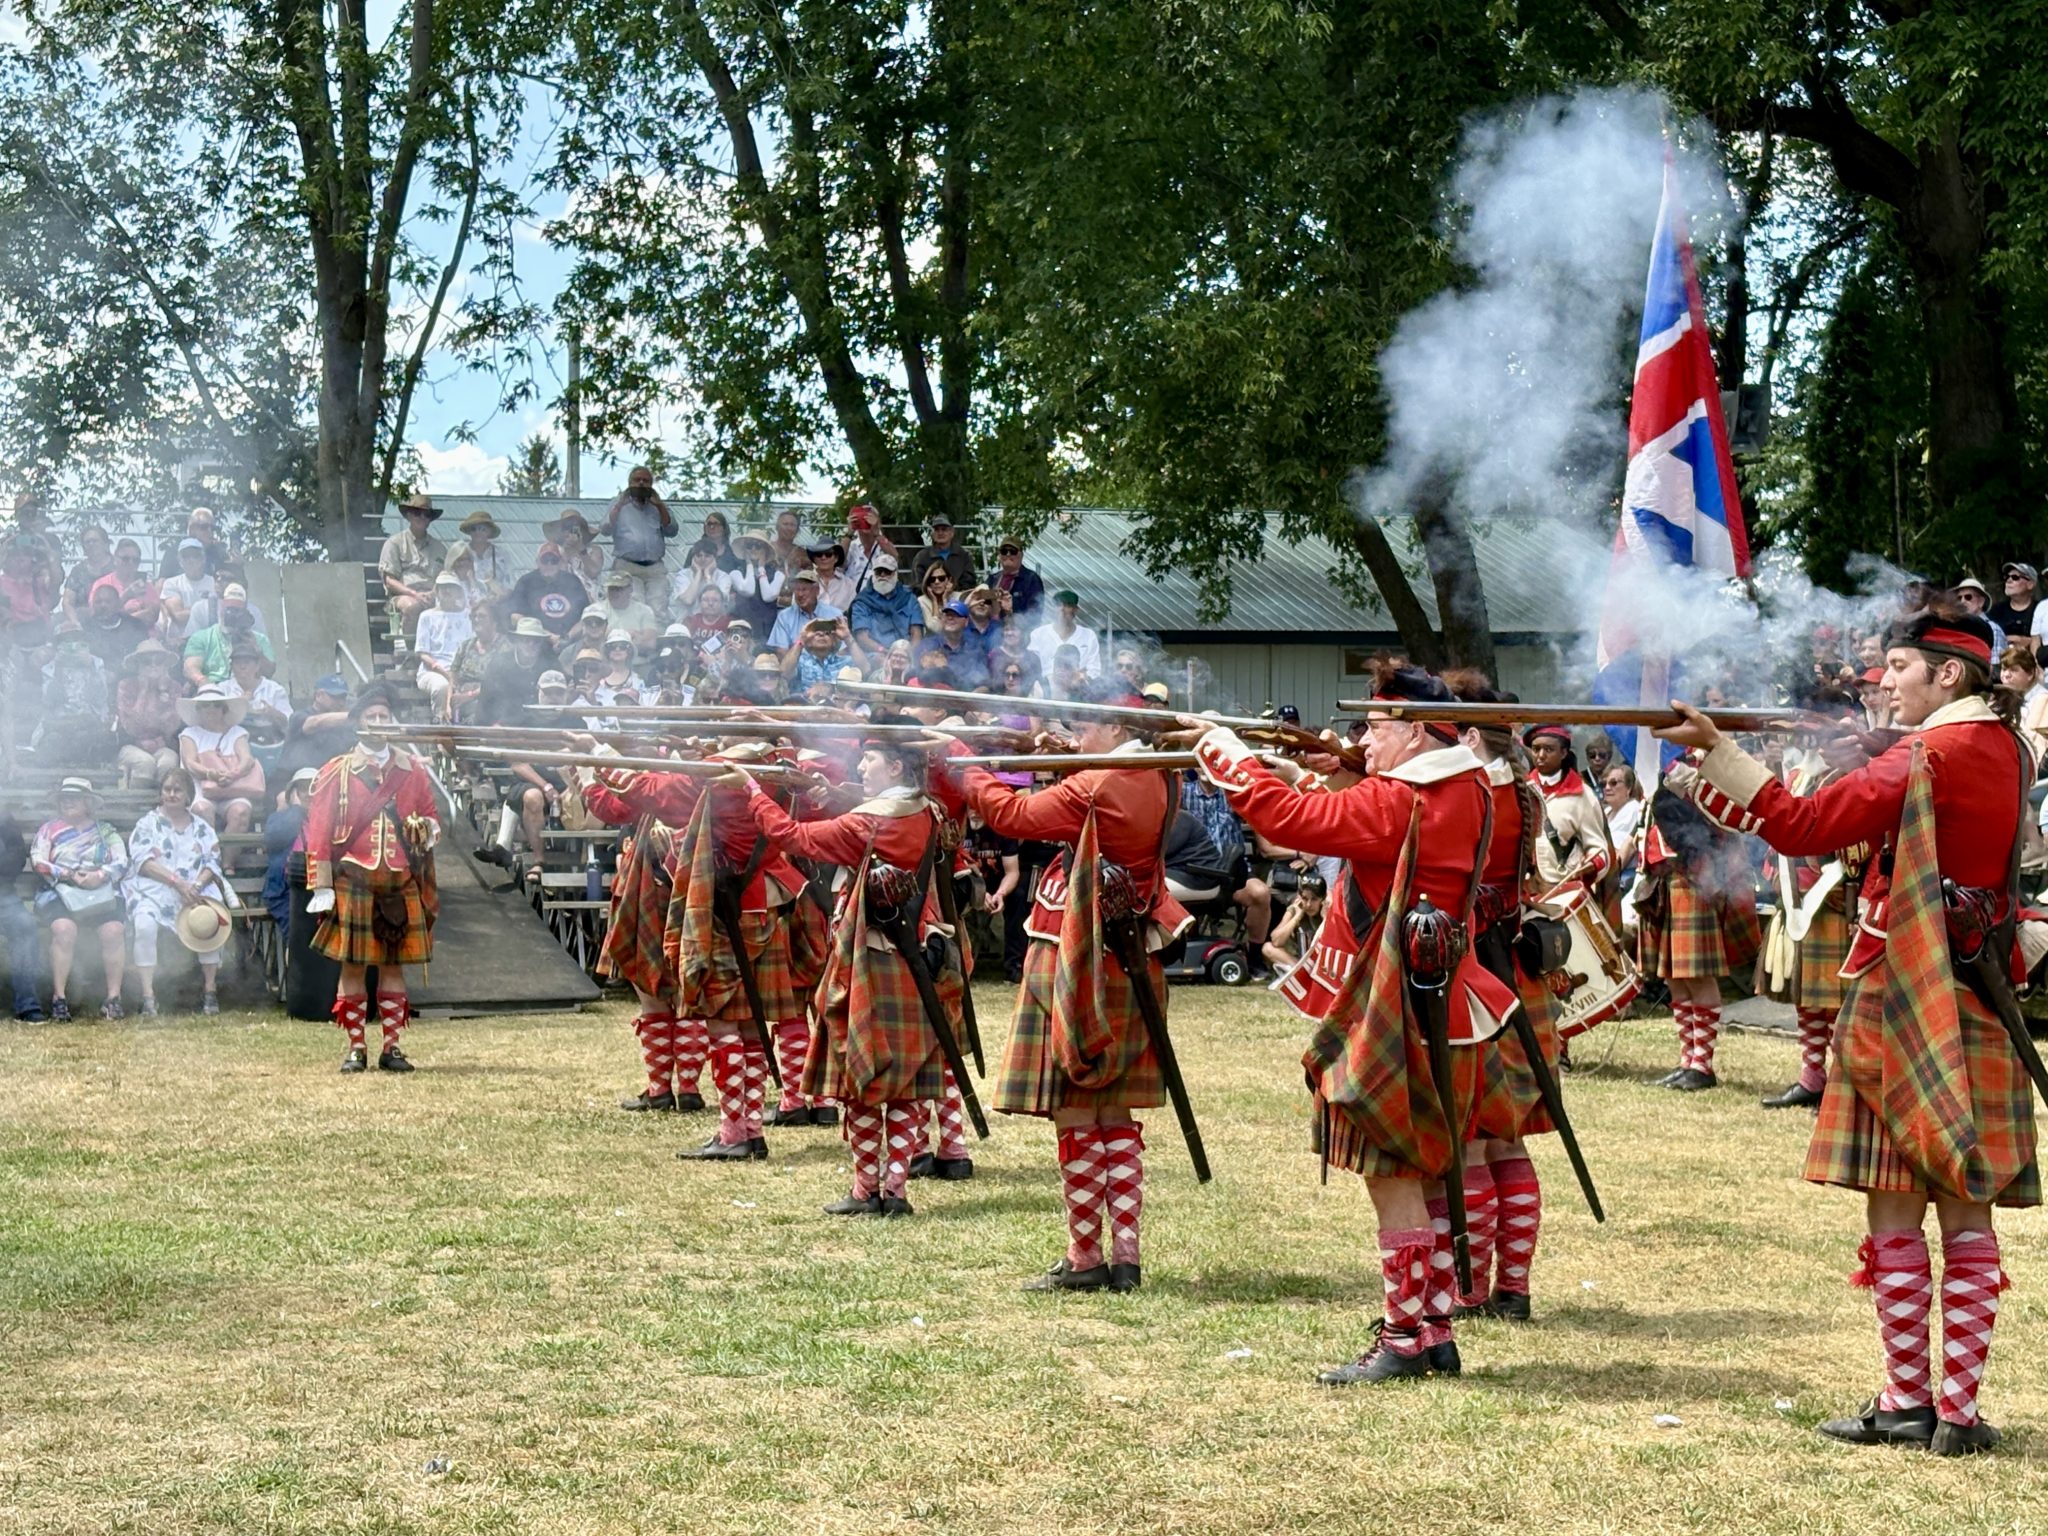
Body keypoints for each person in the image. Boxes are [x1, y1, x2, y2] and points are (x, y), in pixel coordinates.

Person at [1655, 606, 2031, 1457]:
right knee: (1966, 1212)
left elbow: (1803, 829)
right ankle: (1957, 1412)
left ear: (1949, 675)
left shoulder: (1931, 750)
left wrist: (1715, 750)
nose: (1882, 679)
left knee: (1897, 1203)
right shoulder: (2005, 747)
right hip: (1973, 986)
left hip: (1904, 985)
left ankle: (1906, 1399)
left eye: (1898, 665)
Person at [1190, 661, 1518, 1382]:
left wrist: (1227, 753)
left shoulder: (1412, 797)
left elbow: (1295, 823)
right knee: (1423, 1174)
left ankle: (1405, 1336)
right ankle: (1432, 1328)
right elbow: (1358, 815)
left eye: (1374, 729)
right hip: (1447, 999)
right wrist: (1326, 772)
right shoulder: (1464, 786)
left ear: (1412, 731)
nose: (1363, 742)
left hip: (1399, 1002)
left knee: (1390, 1171)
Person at [946, 682, 1191, 1291]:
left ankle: (1085, 1256)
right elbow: (1090, 793)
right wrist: (1057, 751)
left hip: (1074, 951)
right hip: (1129, 950)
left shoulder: (1100, 782)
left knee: (1076, 1109)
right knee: (1113, 1111)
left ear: (1113, 731)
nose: (1079, 734)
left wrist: (964, 765)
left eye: (1087, 727)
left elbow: (1012, 816)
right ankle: (1125, 1254)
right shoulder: (1159, 776)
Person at [731, 737, 964, 1215]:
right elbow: (862, 813)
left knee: (859, 1078)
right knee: (905, 1083)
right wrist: (828, 791)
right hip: (914, 954)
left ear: (895, 764)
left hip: (867, 958)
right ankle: (894, 1190)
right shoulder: (929, 811)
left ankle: (865, 1190)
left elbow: (795, 837)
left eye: (870, 759)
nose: (861, 765)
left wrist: (753, 791)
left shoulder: (869, 821)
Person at [664, 745, 812, 1164]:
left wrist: (602, 754)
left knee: (722, 1021)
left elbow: (662, 793)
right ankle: (750, 1130)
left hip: (728, 912)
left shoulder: (727, 775)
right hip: (762, 905)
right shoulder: (778, 769)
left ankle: (733, 1131)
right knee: (750, 1028)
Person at [304, 685, 439, 1073]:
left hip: (399, 880)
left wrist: (423, 829)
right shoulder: (337, 770)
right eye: (372, 718)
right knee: (352, 967)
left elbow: (432, 819)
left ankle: (392, 1047)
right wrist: (322, 885)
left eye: (384, 717)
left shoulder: (412, 770)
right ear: (359, 723)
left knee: (394, 967)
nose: (379, 724)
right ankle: (356, 1048)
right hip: (354, 879)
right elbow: (319, 830)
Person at [1635, 710, 1763, 1092]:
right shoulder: (1677, 767)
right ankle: (1687, 1059)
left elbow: (1730, 822)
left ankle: (1702, 1065)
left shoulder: (1725, 770)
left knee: (1697, 975)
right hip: (1666, 879)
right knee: (1675, 976)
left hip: (1698, 878)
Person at [123, 768, 231, 1016]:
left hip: (195, 889)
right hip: (156, 889)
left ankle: (210, 991)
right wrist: (177, 883)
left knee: (209, 919)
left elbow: (212, 862)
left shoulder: (202, 827)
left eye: (177, 789)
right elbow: (142, 862)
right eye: (167, 789)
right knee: (144, 924)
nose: (171, 794)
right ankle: (148, 996)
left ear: (188, 795)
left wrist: (195, 886)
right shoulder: (147, 824)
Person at [31, 776, 129, 1021]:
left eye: (74, 798)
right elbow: (38, 861)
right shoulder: (48, 830)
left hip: (100, 894)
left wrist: (100, 875)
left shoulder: (105, 831)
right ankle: (59, 998)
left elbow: (121, 860)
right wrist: (67, 874)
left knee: (114, 930)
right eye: (65, 798)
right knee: (64, 930)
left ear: (88, 803)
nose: (68, 802)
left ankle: (113, 998)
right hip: (60, 892)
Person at [1522, 726, 1614, 889]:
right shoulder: (1521, 789)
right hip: (1525, 888)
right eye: (1536, 749)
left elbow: (1597, 848)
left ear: (1564, 753)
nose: (1541, 755)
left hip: (1563, 887)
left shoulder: (1582, 794)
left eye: (1548, 749)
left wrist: (1590, 865)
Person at [178, 684, 264, 837]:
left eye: (216, 705)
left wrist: (233, 774)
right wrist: (212, 774)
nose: (211, 709)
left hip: (234, 786)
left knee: (241, 812)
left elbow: (246, 759)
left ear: (224, 709)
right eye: (205, 705)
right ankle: (211, 857)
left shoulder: (237, 732)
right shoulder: (189, 734)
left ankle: (227, 861)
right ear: (198, 709)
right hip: (200, 788)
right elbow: (190, 763)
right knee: (202, 810)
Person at [37, 623, 116, 765]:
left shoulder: (96, 663)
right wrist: (58, 669)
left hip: (90, 721)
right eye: (66, 641)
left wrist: (90, 667)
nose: (72, 645)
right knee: (53, 741)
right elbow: (50, 700)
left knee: (87, 737)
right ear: (58, 646)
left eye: (76, 640)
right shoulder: (49, 668)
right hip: (60, 723)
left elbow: (99, 698)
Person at [606, 466, 678, 613]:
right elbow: (605, 528)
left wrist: (659, 506)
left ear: (651, 485)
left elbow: (672, 530)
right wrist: (620, 505)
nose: (641, 484)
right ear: (629, 482)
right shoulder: (618, 503)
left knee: (658, 607)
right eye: (637, 480)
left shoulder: (658, 505)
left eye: (645, 481)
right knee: (634, 606)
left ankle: (656, 634)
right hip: (628, 565)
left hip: (654, 568)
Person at [378, 494, 447, 638]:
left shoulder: (440, 548)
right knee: (412, 606)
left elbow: (445, 577)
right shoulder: (394, 543)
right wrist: (414, 594)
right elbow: (389, 581)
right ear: (409, 515)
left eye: (426, 514)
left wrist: (432, 594)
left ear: (430, 519)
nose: (422, 517)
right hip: (403, 597)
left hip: (433, 596)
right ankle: (410, 653)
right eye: (417, 513)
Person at [0, 807, 46, 1020]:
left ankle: (28, 1004)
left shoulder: (4, 816)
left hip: (4, 896)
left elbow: (17, 856)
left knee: (24, 925)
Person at [182, 583, 272, 687]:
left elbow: (269, 672)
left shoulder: (259, 640)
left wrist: (255, 649)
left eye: (236, 611)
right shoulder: (201, 637)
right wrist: (203, 682)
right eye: (228, 609)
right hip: (211, 691)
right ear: (221, 610)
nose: (231, 615)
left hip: (248, 689)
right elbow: (190, 667)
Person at [262, 766, 317, 933]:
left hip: (319, 890)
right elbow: (274, 838)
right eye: (302, 789)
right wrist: (296, 810)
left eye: (314, 788)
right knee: (298, 934)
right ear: (293, 794)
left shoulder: (328, 822)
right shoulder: (278, 819)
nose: (308, 794)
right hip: (286, 892)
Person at [413, 572, 474, 720]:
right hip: (433, 672)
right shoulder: (426, 616)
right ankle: (442, 725)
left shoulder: (468, 616)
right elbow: (423, 654)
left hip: (463, 670)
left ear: (458, 591)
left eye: (451, 587)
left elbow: (472, 647)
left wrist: (460, 674)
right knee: (442, 686)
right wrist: (446, 674)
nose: (446, 591)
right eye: (442, 587)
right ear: (437, 591)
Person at [277, 675, 358, 786]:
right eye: (335, 697)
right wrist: (357, 714)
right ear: (319, 695)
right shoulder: (298, 716)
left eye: (343, 697)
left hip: (333, 779)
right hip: (294, 780)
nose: (340, 702)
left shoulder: (346, 724)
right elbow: (314, 723)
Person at [479, 618, 552, 727]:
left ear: (541, 642)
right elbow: (485, 700)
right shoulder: (499, 664)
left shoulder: (550, 664)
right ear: (517, 640)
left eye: (536, 640)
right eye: (526, 639)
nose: (531, 644)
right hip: (502, 726)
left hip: (540, 725)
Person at [507, 542, 589, 639]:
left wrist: (568, 637)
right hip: (535, 641)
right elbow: (515, 616)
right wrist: (547, 636)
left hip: (569, 640)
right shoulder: (526, 582)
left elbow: (586, 616)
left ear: (561, 562)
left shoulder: (573, 581)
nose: (549, 564)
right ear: (537, 562)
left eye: (553, 560)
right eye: (545, 560)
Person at [849, 553, 922, 657]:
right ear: (873, 574)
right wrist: (883, 651)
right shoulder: (862, 601)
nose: (882, 575)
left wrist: (908, 654)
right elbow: (862, 638)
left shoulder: (909, 598)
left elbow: (917, 633)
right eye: (879, 572)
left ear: (896, 574)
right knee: (880, 660)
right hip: (876, 653)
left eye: (887, 572)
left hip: (907, 652)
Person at [223, 641, 292, 747]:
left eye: (247, 662)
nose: (242, 667)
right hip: (231, 742)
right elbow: (214, 722)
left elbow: (289, 723)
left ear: (257, 666)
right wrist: (238, 704)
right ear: (232, 667)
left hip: (269, 741)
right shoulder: (222, 689)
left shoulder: (275, 690)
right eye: (237, 663)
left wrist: (272, 713)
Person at [447, 601, 505, 725]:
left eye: (482, 616)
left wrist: (469, 695)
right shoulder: (466, 645)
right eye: (474, 617)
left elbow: (500, 682)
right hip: (460, 702)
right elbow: (453, 673)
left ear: (494, 622)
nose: (476, 620)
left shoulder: (504, 646)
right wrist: (448, 703)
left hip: (488, 702)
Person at [915, 600, 991, 689]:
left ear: (966, 621)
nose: (950, 618)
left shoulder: (975, 649)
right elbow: (913, 677)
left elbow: (984, 685)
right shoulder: (927, 645)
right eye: (947, 615)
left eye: (955, 615)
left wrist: (967, 701)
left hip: (965, 699)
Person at [1260, 871, 1325, 975]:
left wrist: (1325, 918)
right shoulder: (1295, 909)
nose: (1308, 904)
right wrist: (1296, 917)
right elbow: (1276, 941)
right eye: (1304, 898)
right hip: (1302, 961)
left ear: (1322, 899)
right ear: (1299, 897)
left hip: (1324, 962)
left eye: (1314, 899)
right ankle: (1303, 973)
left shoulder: (1329, 911)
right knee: (1267, 948)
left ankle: (1301, 973)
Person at [1028, 589, 1101, 679]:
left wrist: (1080, 678)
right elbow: (1030, 667)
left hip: (1078, 688)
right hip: (1046, 688)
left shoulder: (1089, 636)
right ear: (1053, 608)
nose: (1062, 609)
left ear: (1076, 610)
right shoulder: (1038, 634)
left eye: (1067, 605)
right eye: (1058, 605)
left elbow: (1094, 670)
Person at [81, 576, 149, 670]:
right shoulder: (85, 629)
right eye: (98, 602)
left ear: (118, 603)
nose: (103, 605)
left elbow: (143, 658)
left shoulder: (135, 626)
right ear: (92, 605)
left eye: (108, 602)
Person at [768, 568, 842, 654]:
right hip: (796, 665)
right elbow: (781, 652)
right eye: (797, 589)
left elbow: (842, 651)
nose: (800, 594)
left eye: (804, 589)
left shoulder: (834, 614)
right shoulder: (784, 617)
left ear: (816, 591)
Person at [59, 527, 116, 626]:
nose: (91, 545)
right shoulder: (78, 571)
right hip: (84, 623)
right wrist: (75, 622)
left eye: (95, 541)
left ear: (106, 544)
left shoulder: (118, 567)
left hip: (115, 621)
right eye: (87, 542)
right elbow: (67, 602)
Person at [156, 539, 213, 637]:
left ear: (203, 559)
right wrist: (205, 609)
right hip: (182, 640)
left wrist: (188, 608)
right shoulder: (171, 583)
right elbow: (179, 616)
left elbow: (218, 614)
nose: (191, 560)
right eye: (185, 556)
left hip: (209, 637)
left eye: (195, 555)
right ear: (179, 560)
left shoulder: (213, 582)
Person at [452, 510, 510, 602]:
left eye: (483, 529)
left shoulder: (501, 555)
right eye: (474, 529)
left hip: (496, 603)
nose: (478, 532)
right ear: (469, 532)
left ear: (490, 532)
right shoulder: (460, 553)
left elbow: (508, 584)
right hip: (465, 601)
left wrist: (499, 594)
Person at [599, 570, 659, 658]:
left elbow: (650, 643)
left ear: (630, 589)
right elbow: (593, 640)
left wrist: (610, 635)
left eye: (619, 589)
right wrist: (630, 637)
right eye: (611, 588)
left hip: (638, 663)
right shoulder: (597, 610)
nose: (615, 593)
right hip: (606, 664)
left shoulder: (644, 611)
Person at [842, 502, 900, 593]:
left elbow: (894, 557)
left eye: (870, 518)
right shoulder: (850, 546)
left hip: (880, 598)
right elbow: (837, 560)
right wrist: (849, 532)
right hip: (854, 600)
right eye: (863, 518)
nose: (867, 521)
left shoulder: (883, 545)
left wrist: (876, 531)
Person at [156, 507, 226, 579]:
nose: (209, 531)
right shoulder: (174, 552)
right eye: (204, 527)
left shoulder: (218, 554)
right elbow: (161, 584)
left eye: (212, 528)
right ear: (192, 529)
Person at [911, 513, 976, 591]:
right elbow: (917, 584)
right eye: (937, 529)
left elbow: (969, 582)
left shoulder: (964, 555)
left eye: (944, 529)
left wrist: (952, 589)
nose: (940, 533)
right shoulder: (921, 557)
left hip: (957, 598)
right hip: (929, 598)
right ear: (932, 533)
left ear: (952, 532)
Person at [991, 537, 1045, 620]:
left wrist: (1011, 611)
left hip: (1020, 631)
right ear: (1000, 555)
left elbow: (1035, 613)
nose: (1008, 554)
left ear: (1021, 555)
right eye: (1004, 551)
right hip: (993, 630)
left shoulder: (1031, 579)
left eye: (1013, 551)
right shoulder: (992, 579)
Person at [1990, 563, 2039, 654]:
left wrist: (2029, 641)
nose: (2008, 580)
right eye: (2006, 577)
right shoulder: (1996, 611)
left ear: (2030, 584)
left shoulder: (2041, 610)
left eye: (2015, 577)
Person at [1953, 579, 2008, 658]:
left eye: (1968, 597)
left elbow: (1996, 665)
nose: (1962, 601)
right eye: (1959, 598)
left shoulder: (1993, 629)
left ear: (1981, 602)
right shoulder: (1956, 627)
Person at [805, 542, 857, 613]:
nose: (823, 557)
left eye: (828, 554)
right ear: (814, 559)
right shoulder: (805, 581)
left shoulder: (848, 584)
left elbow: (854, 611)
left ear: (836, 558)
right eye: (819, 554)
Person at [916, 564, 956, 632]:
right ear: (928, 583)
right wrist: (934, 601)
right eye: (932, 579)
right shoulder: (921, 601)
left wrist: (945, 599)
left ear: (949, 580)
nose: (936, 582)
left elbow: (953, 628)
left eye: (941, 578)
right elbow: (934, 629)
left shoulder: (957, 597)